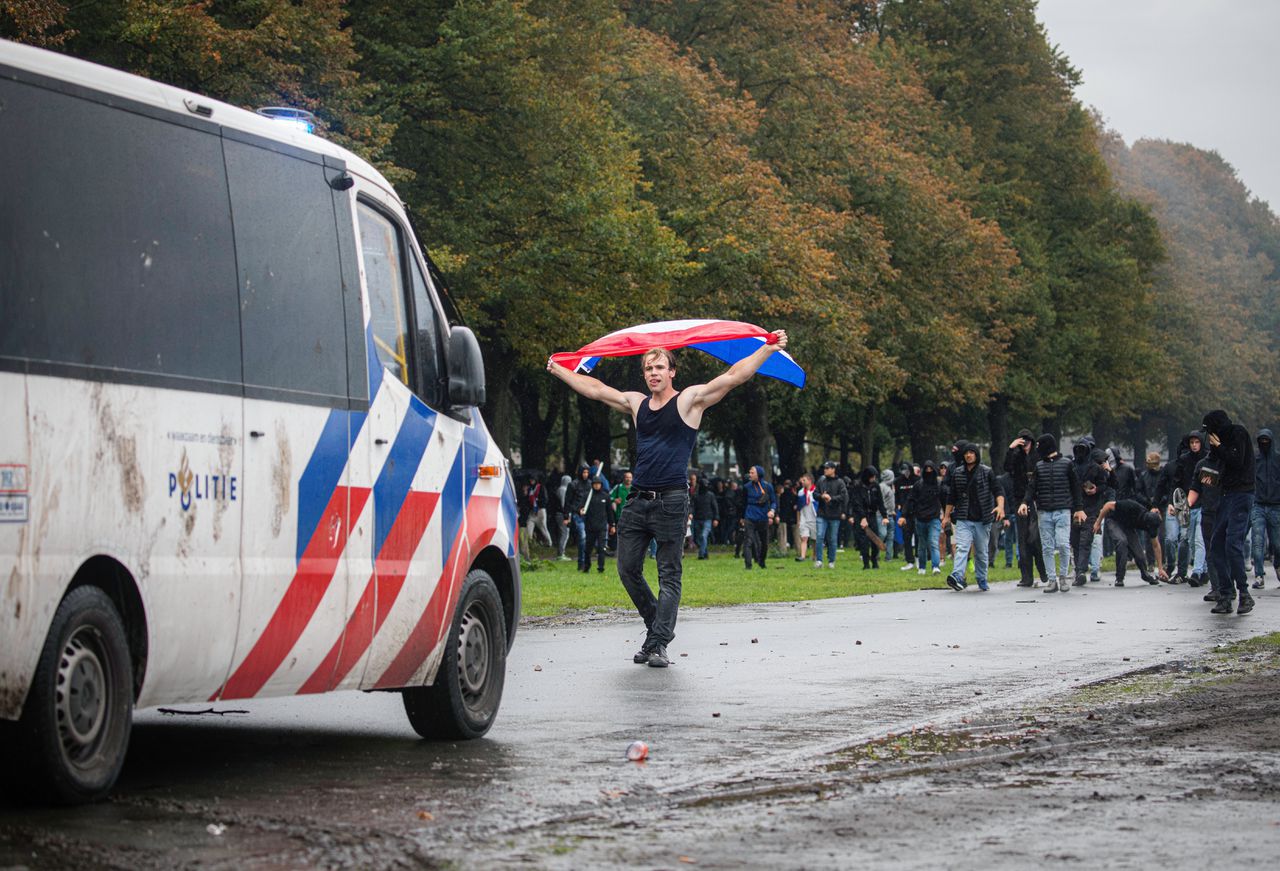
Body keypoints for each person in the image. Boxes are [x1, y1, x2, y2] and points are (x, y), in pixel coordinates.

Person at [546, 331, 789, 668]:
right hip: (637, 501)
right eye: (648, 368)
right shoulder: (636, 403)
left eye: (660, 367)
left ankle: (658, 643)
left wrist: (767, 349)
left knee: (668, 576)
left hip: (672, 501)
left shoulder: (689, 401)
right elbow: (597, 390)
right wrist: (560, 369)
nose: (653, 373)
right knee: (627, 569)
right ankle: (655, 630)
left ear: (672, 371)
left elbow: (734, 376)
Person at [1201, 410, 1255, 615]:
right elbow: (1217, 462)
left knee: (1233, 544)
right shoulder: (1220, 442)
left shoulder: (1238, 433)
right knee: (1216, 545)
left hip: (1242, 493)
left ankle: (1244, 594)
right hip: (1226, 494)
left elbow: (1236, 460)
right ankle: (1225, 592)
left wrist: (1219, 446)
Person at [1019, 434, 1083, 595]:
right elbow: (1031, 487)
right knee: (1047, 547)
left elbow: (1076, 487)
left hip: (1063, 510)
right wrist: (1025, 503)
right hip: (1044, 512)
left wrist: (1079, 508)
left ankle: (1062, 576)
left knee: (1062, 544)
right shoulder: (1039, 466)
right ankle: (1052, 580)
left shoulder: (1067, 464)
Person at [943, 442, 1004, 592]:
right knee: (962, 547)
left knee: (982, 552)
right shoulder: (958, 473)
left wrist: (1000, 507)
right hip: (964, 518)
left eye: (971, 452)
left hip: (983, 519)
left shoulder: (986, 471)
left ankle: (981, 578)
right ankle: (957, 575)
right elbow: (951, 497)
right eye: (966, 453)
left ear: (976, 455)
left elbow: (998, 490)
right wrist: (946, 517)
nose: (968, 455)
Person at [1004, 429, 1049, 587]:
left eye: (1027, 441)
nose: (1025, 444)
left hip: (1036, 501)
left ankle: (1043, 570)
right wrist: (1011, 448)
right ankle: (1027, 576)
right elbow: (1007, 468)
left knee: (1034, 538)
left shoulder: (1038, 457)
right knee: (1023, 540)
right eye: (1022, 441)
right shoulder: (1016, 457)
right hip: (1020, 501)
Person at [1094, 497, 1164, 586]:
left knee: (1140, 556)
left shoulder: (1152, 525)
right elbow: (1108, 505)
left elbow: (1156, 546)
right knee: (1122, 541)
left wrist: (1160, 568)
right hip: (1113, 521)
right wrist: (1098, 522)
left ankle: (1145, 574)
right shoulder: (1132, 506)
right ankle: (1119, 578)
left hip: (1127, 527)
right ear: (1147, 523)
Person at [1188, 453, 1224, 599]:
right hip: (1208, 511)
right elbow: (1195, 487)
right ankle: (1216, 588)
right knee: (1210, 551)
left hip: (1226, 512)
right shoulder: (1202, 464)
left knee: (1227, 550)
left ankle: (1228, 587)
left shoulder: (1229, 462)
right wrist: (1187, 504)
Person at [1072, 463, 1113, 586]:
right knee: (1082, 541)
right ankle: (1083, 571)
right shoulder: (1076, 467)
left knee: (1093, 541)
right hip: (1084, 510)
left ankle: (1091, 570)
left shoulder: (1100, 470)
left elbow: (1110, 488)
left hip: (1098, 510)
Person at [901, 458, 943, 575]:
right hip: (920, 519)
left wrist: (946, 516)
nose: (929, 472)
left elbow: (945, 500)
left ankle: (935, 566)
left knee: (933, 542)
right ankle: (922, 567)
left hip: (934, 519)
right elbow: (910, 500)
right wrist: (904, 515)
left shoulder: (939, 484)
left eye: (931, 469)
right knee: (922, 544)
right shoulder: (919, 485)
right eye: (927, 469)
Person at [1251, 428, 1279, 589]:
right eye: (1261, 440)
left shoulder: (1277, 458)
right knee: (1257, 542)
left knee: (1277, 544)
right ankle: (1259, 575)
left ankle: (1277, 565)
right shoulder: (1255, 459)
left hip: (1276, 506)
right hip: (1258, 505)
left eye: (1266, 440)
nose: (1264, 444)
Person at [741, 464, 777, 570]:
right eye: (750, 472)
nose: (750, 474)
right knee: (748, 541)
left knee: (764, 542)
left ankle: (762, 561)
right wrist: (742, 517)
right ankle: (748, 565)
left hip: (763, 518)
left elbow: (774, 501)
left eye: (752, 473)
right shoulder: (746, 487)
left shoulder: (767, 486)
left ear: (759, 474)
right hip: (750, 517)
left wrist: (772, 511)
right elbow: (743, 503)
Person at [849, 467, 886, 570]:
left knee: (875, 539)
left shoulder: (875, 486)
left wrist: (884, 516)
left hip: (872, 515)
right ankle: (866, 563)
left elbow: (880, 502)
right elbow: (857, 503)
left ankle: (874, 560)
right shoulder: (857, 486)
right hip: (860, 516)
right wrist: (862, 517)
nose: (873, 479)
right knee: (863, 541)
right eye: (872, 477)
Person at [814, 460, 847, 568]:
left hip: (834, 514)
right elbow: (815, 494)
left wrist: (831, 498)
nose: (825, 470)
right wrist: (821, 497)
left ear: (833, 470)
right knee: (819, 536)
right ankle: (819, 560)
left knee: (832, 539)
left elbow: (844, 497)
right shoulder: (821, 480)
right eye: (825, 468)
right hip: (822, 513)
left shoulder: (840, 482)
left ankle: (831, 561)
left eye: (827, 468)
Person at [580, 475, 616, 573]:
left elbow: (610, 512)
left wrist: (612, 525)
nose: (597, 486)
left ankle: (601, 567)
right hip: (590, 527)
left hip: (602, 527)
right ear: (592, 485)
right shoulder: (587, 496)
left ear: (601, 485)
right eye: (595, 484)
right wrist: (581, 510)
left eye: (598, 484)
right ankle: (586, 566)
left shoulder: (605, 496)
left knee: (601, 548)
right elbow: (581, 507)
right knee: (588, 549)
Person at [562, 463, 593, 570]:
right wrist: (567, 516)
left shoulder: (591, 484)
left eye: (587, 472)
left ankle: (585, 562)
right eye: (584, 472)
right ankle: (582, 563)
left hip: (589, 515)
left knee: (588, 539)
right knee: (582, 537)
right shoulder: (573, 485)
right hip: (577, 515)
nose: (586, 474)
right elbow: (568, 502)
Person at [690, 471, 719, 560]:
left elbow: (715, 507)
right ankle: (705, 553)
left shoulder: (710, 495)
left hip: (707, 519)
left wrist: (716, 518)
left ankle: (701, 554)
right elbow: (692, 506)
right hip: (698, 518)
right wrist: (691, 513)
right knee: (699, 538)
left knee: (703, 536)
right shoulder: (696, 496)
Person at [794, 473, 817, 562]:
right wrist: (798, 520)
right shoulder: (800, 492)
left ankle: (814, 555)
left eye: (804, 480)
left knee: (814, 539)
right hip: (804, 518)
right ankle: (802, 556)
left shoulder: (815, 491)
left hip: (814, 518)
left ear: (809, 481)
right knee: (804, 537)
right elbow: (799, 508)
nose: (802, 482)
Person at [777, 478, 796, 557]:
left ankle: (783, 550)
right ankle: (799, 550)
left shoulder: (782, 496)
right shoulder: (793, 495)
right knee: (795, 534)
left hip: (783, 516)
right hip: (792, 517)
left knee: (783, 534)